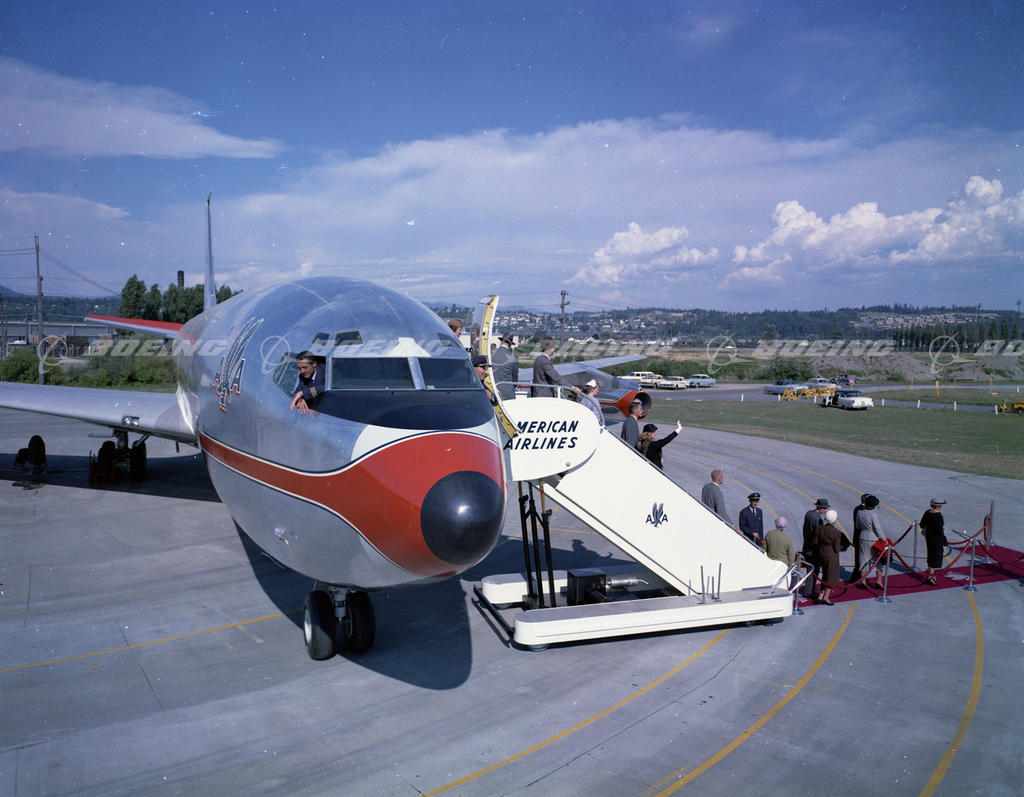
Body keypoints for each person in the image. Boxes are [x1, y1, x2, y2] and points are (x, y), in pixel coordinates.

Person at [854, 494, 886, 589]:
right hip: (873, 539)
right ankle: (879, 581)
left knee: (863, 559)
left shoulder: (859, 512)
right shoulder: (873, 514)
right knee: (878, 560)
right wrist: (884, 539)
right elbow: (877, 529)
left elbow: (858, 526)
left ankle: (863, 581)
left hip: (863, 537)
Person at [801, 498, 829, 597]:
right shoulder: (818, 519)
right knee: (814, 571)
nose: (825, 511)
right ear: (819, 507)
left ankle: (810, 588)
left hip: (807, 547)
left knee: (809, 570)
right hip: (814, 550)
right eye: (824, 508)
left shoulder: (809, 514)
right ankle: (809, 592)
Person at [815, 509, 843, 605]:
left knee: (824, 575)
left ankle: (820, 595)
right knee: (831, 577)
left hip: (821, 554)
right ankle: (826, 598)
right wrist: (842, 547)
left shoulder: (819, 528)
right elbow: (836, 549)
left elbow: (815, 542)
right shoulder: (836, 532)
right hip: (832, 556)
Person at [920, 498, 947, 585]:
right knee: (935, 557)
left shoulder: (927, 512)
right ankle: (931, 577)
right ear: (939, 506)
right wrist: (944, 542)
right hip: (937, 540)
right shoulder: (938, 516)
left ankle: (931, 574)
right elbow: (940, 531)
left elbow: (921, 524)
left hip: (929, 538)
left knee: (931, 555)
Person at [490, 333, 519, 401]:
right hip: (507, 391)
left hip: (492, 389)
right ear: (510, 344)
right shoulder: (513, 357)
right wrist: (514, 385)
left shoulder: (491, 354)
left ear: (501, 341)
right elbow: (515, 376)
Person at [849, 494, 870, 583]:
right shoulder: (862, 510)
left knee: (859, 558)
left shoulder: (857, 509)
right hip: (862, 537)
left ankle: (857, 577)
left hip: (857, 536)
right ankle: (857, 578)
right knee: (861, 559)